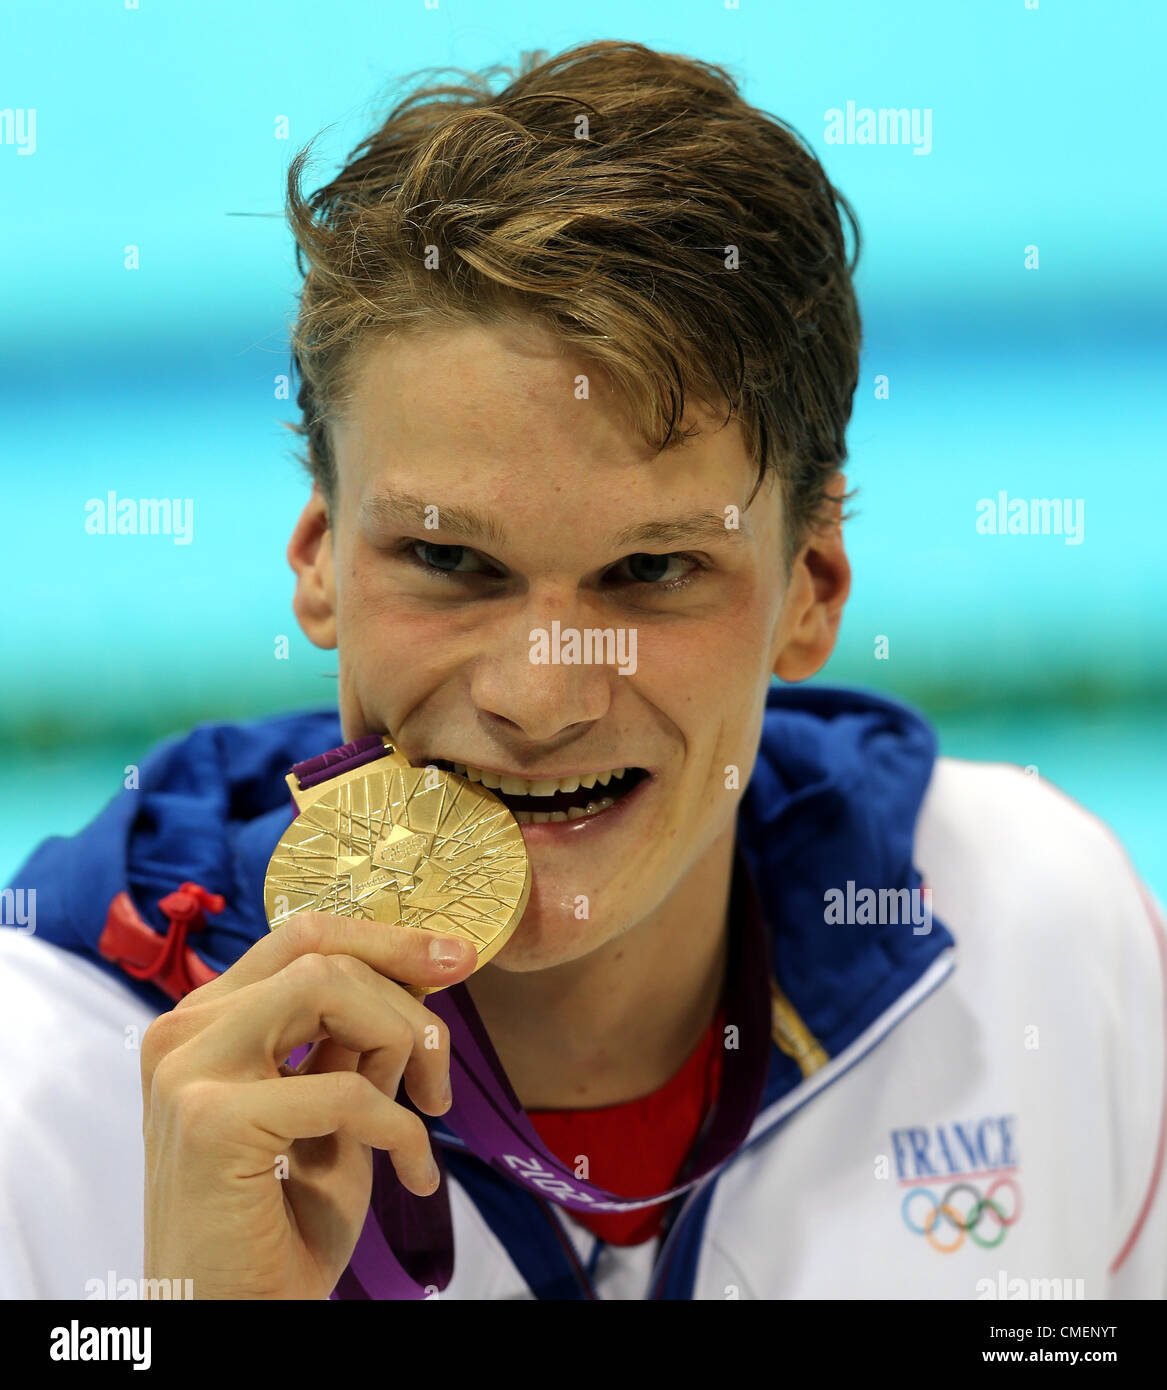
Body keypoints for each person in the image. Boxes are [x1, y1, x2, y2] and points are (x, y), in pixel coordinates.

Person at [1, 39, 1163, 1301]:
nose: (541, 698)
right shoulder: (46, 1082)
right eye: (449, 559)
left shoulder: (1040, 937)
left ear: (813, 592)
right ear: (322, 560)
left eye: (652, 570)